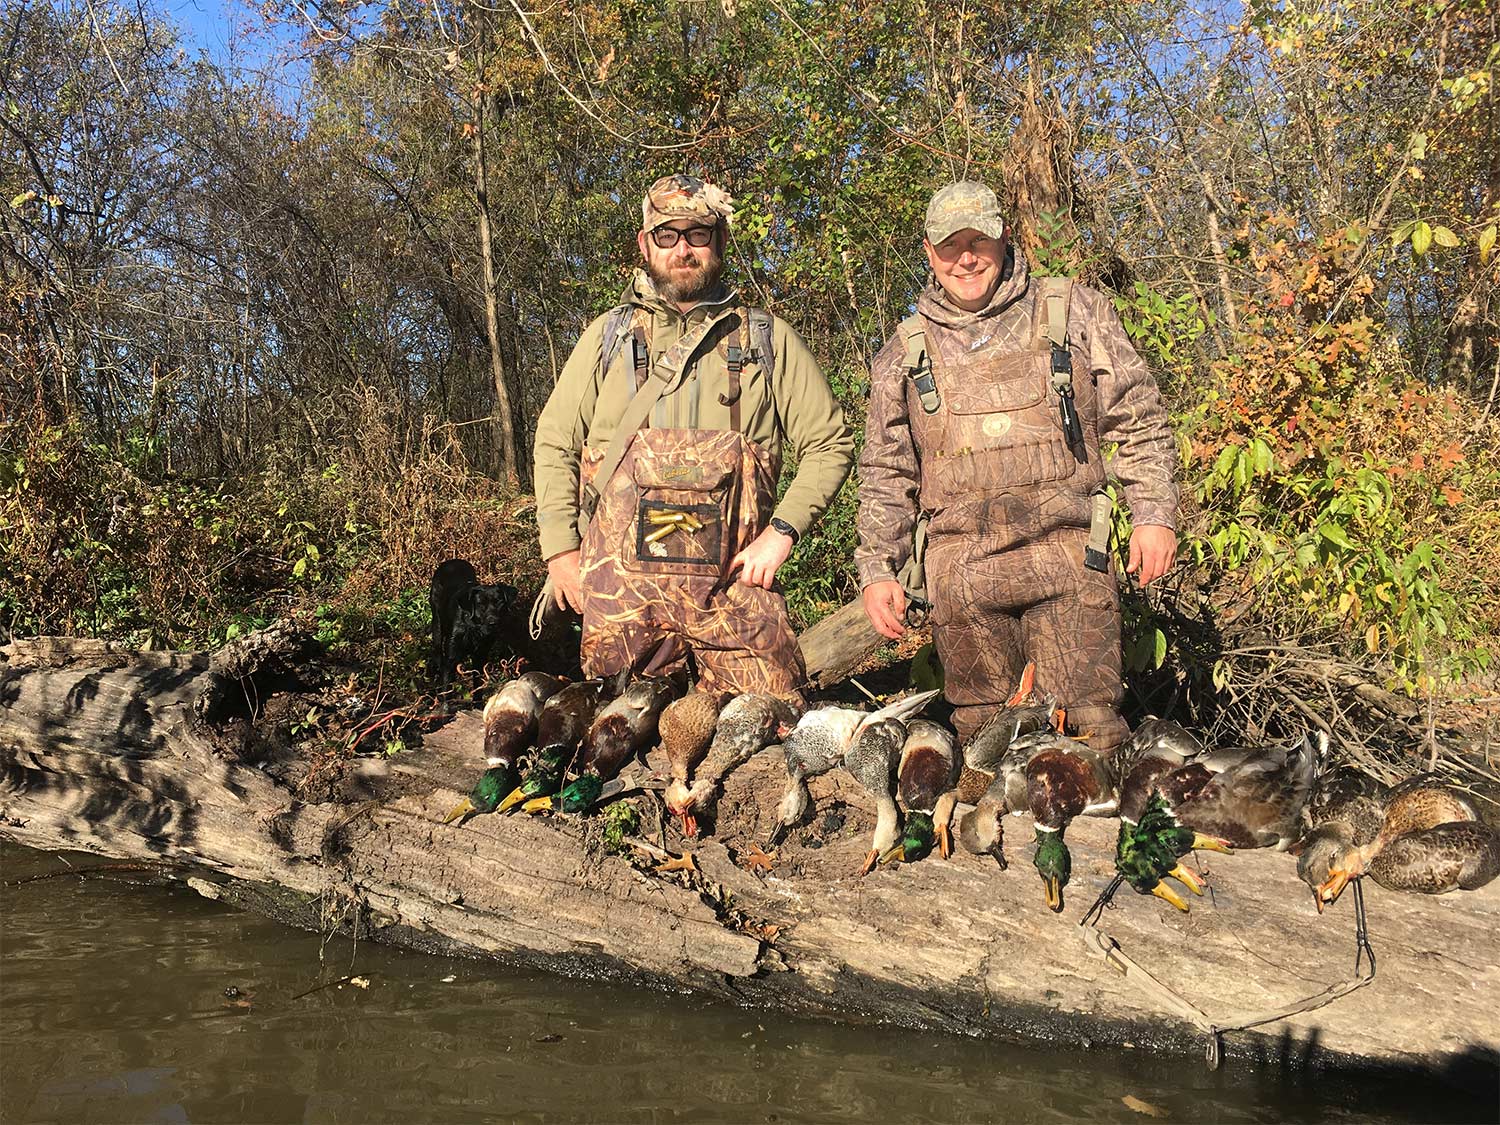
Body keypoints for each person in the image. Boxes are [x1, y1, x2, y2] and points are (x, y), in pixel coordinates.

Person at [856, 182, 1178, 751]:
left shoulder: (1073, 309)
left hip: (1070, 560)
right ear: (929, 253)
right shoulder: (903, 351)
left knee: (1092, 734)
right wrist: (879, 568)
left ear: (1004, 237)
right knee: (981, 746)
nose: (967, 257)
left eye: (979, 239)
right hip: (964, 576)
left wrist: (1153, 513)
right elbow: (886, 471)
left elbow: (1137, 412)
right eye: (951, 245)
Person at [533, 174, 854, 700]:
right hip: (624, 607)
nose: (683, 249)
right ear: (645, 245)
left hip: (733, 597)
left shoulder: (766, 340)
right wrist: (561, 552)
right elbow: (554, 445)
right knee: (616, 735)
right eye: (667, 235)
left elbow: (830, 443)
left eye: (698, 234)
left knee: (769, 722)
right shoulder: (606, 340)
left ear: (719, 242)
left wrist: (781, 534)